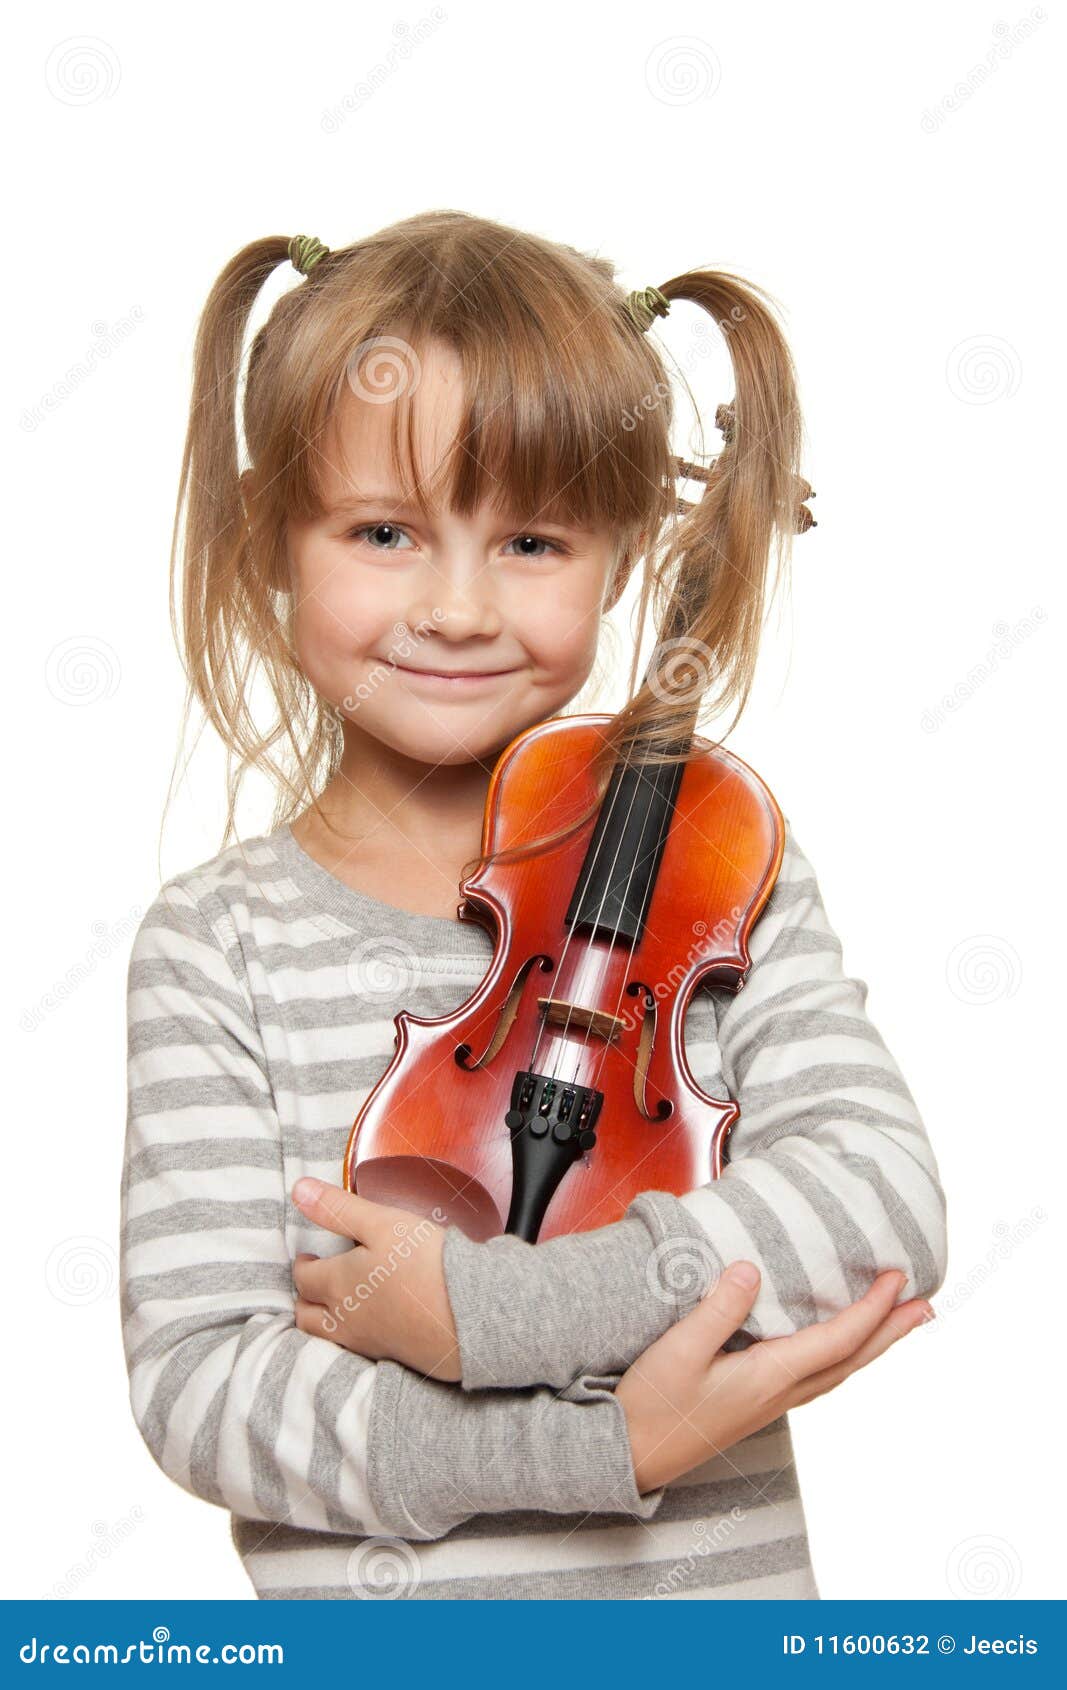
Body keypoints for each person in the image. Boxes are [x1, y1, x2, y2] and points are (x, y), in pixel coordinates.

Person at [120, 211, 947, 1601]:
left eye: (532, 541)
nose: (456, 607)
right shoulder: (219, 947)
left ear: (623, 552)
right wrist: (599, 1442)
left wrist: (494, 1316)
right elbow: (203, 1389)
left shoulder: (711, 865)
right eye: (385, 530)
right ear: (271, 538)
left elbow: (879, 1196)